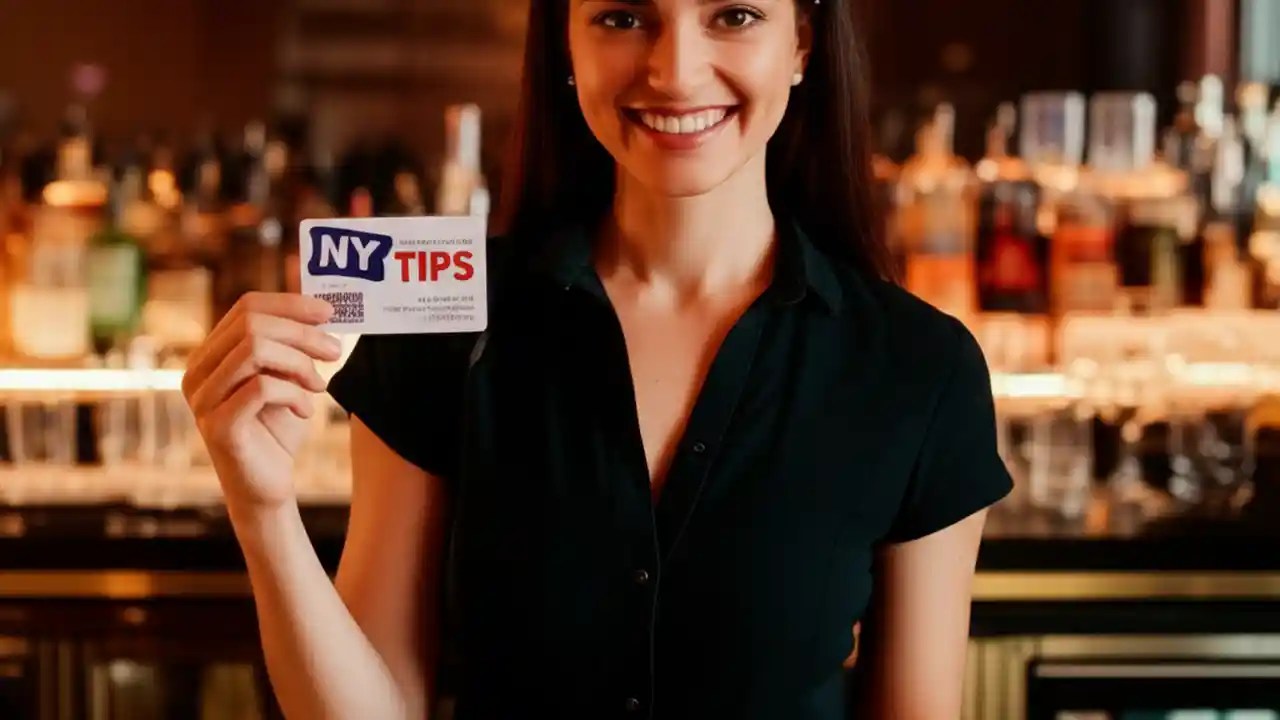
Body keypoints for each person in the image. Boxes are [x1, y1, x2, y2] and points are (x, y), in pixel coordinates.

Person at [181, 0, 1013, 718]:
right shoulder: (439, 327)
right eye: (623, 17)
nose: (677, 71)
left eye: (735, 15)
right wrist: (263, 510)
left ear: (801, 42)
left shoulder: (918, 369)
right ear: (564, 51)